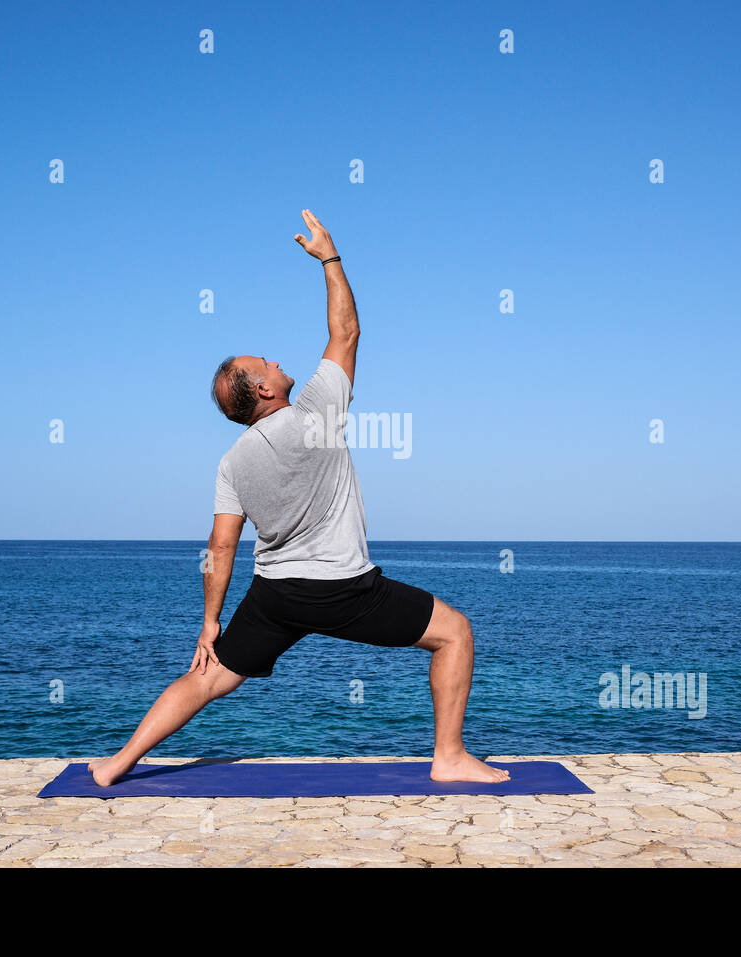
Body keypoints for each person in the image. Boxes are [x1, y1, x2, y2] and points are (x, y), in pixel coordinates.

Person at [89, 210, 509, 786]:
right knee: (455, 632)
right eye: (268, 362)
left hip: (276, 596)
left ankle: (117, 763)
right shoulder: (316, 415)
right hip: (343, 589)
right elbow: (346, 334)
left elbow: (220, 545)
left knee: (210, 676)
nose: (278, 361)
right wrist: (330, 258)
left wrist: (209, 623)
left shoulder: (231, 462)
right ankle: (449, 757)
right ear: (263, 389)